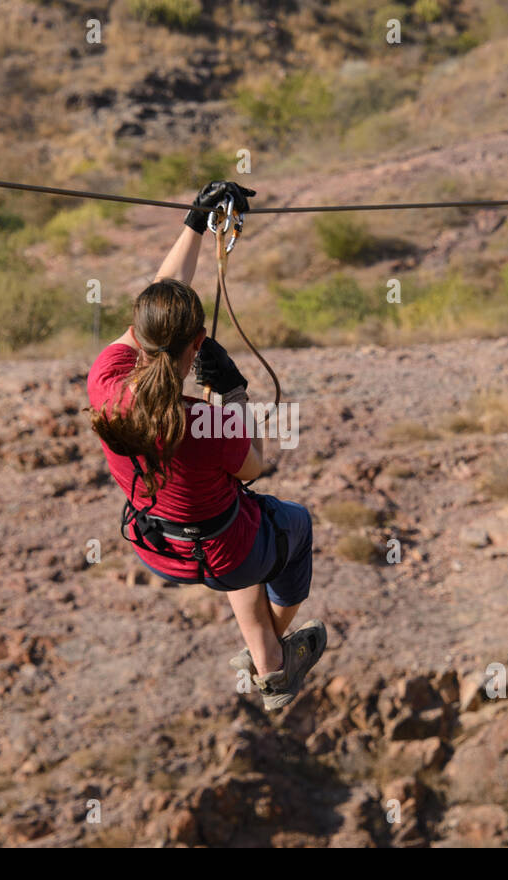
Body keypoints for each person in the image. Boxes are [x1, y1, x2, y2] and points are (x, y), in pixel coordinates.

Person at [86, 180, 325, 711]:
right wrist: (235, 394)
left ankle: (265, 661)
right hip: (225, 554)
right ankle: (278, 653)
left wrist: (196, 221)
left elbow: (160, 303)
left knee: (232, 514)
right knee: (293, 522)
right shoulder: (206, 425)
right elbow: (255, 466)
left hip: (158, 549)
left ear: (140, 338)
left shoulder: (105, 384)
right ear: (199, 345)